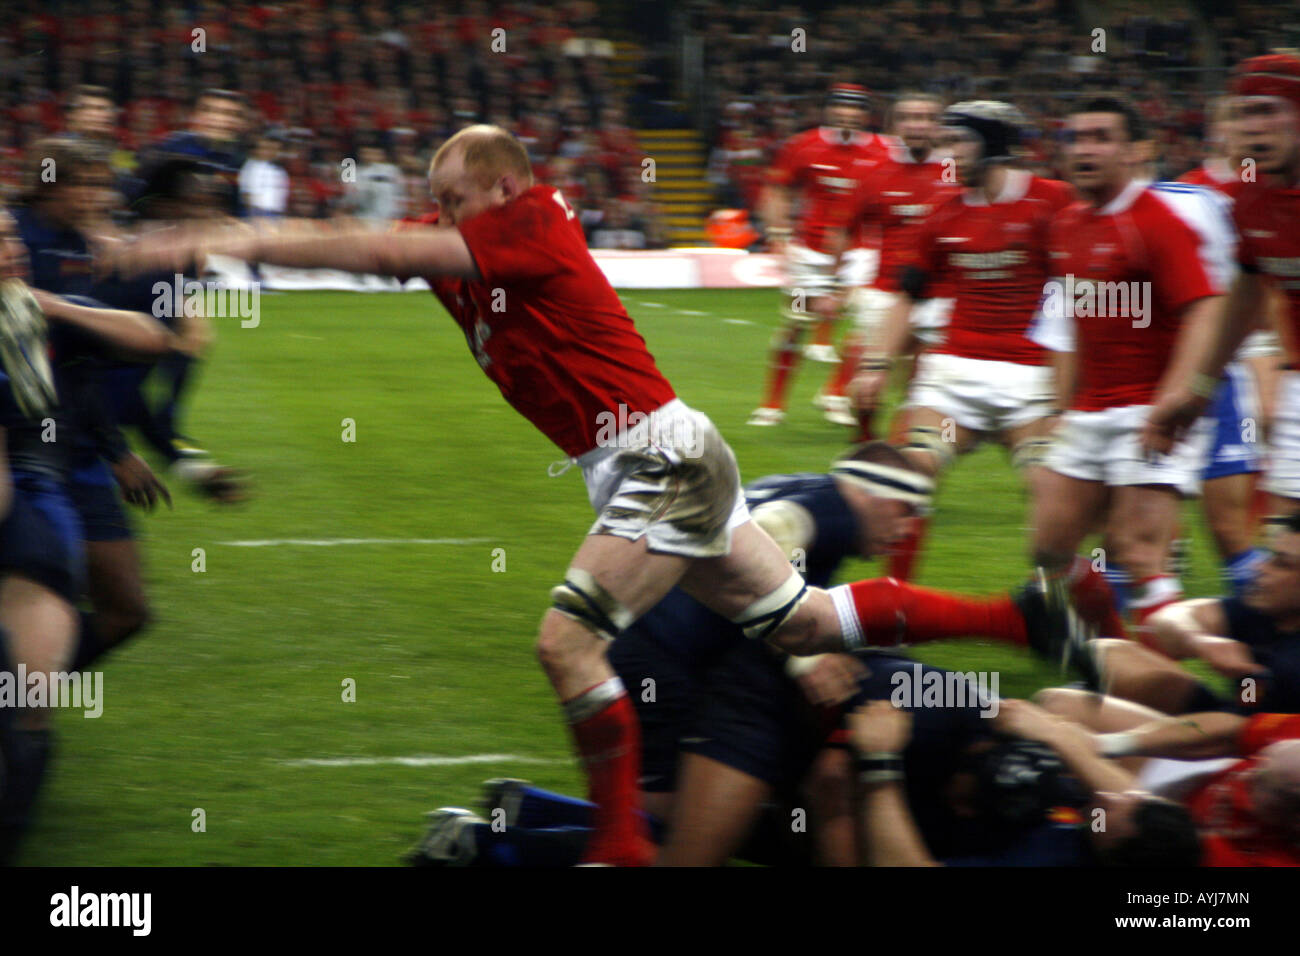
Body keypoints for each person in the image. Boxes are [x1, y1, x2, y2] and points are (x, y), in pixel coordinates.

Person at [105, 124, 970, 866]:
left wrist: (235, 238)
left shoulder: (535, 217)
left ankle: (621, 849)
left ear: (506, 185)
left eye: (453, 199)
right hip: (642, 460)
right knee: (804, 624)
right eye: (434, 202)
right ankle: (1018, 617)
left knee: (566, 646)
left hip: (658, 454)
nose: (440, 215)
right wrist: (212, 238)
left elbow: (385, 248)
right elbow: (367, 244)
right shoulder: (466, 240)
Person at [851, 101, 1075, 585]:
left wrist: (1075, 387)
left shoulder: (1053, 202)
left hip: (1032, 383)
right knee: (908, 477)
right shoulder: (942, 215)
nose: (946, 153)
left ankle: (1055, 607)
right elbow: (907, 298)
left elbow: (1085, 291)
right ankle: (896, 603)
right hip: (957, 380)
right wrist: (873, 365)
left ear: (994, 147)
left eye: (959, 142)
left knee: (1050, 490)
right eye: (945, 142)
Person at [1027, 95, 1229, 630]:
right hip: (1091, 413)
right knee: (1048, 548)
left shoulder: (1156, 222)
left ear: (1135, 150)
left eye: (1101, 137)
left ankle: (1185, 672)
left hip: (1149, 412)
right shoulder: (1067, 224)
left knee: (1136, 555)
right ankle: (1111, 654)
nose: (1085, 149)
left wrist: (1179, 397)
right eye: (1076, 137)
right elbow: (1071, 326)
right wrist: (1060, 409)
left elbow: (1205, 309)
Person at [1145, 54, 1300, 526]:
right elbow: (1246, 293)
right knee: (1286, 563)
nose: (1254, 129)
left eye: (1269, 111)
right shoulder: (1250, 200)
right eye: (1243, 113)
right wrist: (1198, 390)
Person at [747, 84, 891, 427]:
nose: (848, 115)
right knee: (795, 324)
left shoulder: (886, 150)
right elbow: (778, 190)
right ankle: (772, 404)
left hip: (860, 251)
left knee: (868, 323)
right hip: (808, 252)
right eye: (841, 108)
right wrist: (779, 236)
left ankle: (835, 393)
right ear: (830, 111)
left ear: (865, 115)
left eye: (855, 110)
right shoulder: (803, 145)